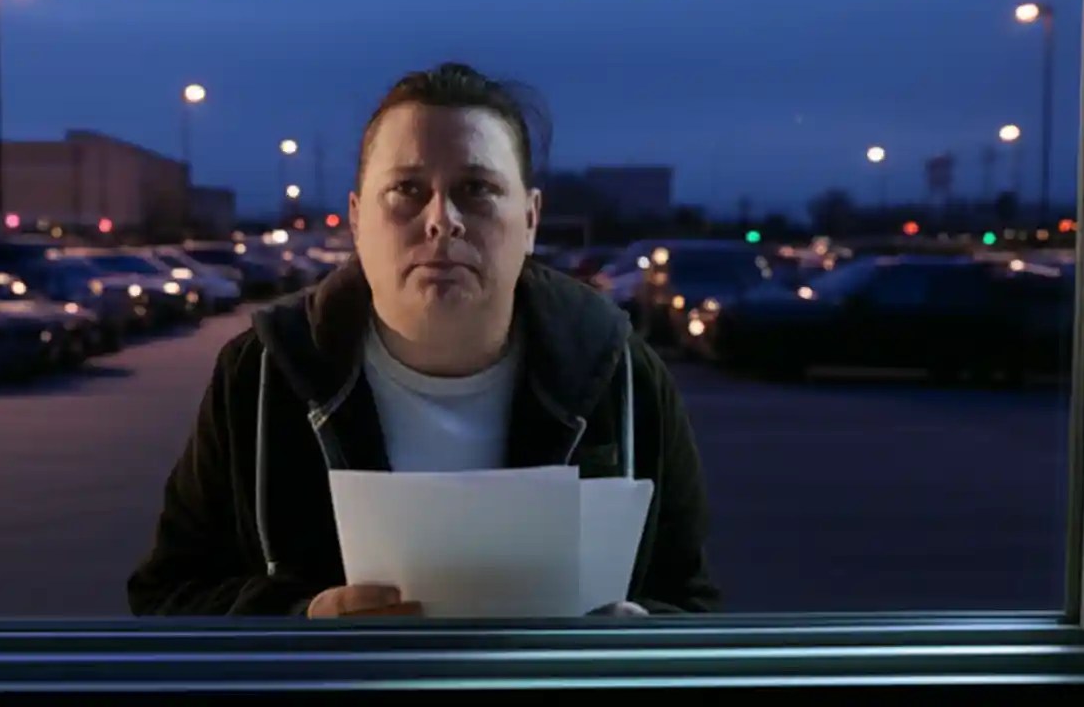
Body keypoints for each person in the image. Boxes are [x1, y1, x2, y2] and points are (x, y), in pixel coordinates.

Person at [127, 63, 720, 618]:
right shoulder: (260, 376)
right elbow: (167, 594)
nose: (442, 219)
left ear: (532, 219)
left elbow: (691, 603)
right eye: (407, 189)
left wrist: (637, 640)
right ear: (357, 219)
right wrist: (302, 619)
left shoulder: (619, 374)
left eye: (477, 188)